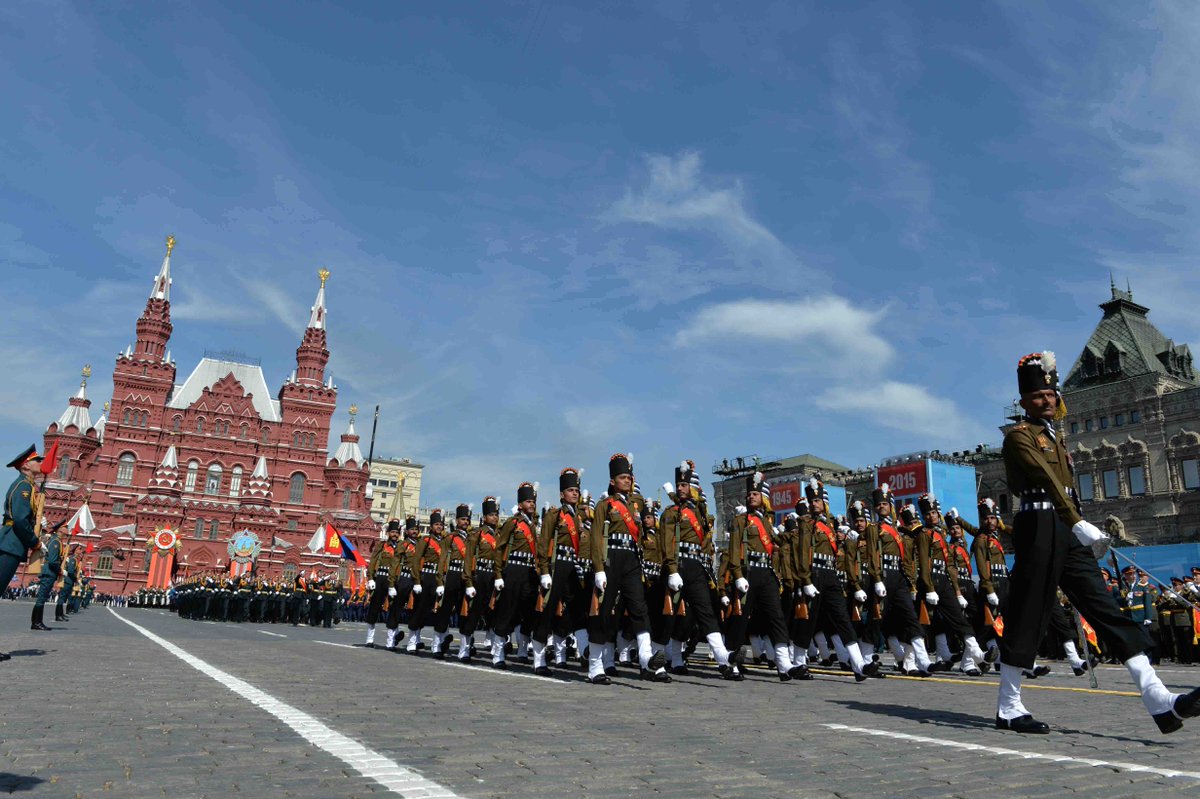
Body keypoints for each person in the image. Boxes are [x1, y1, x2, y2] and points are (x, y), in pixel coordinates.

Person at [996, 351, 1199, 734]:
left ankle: (1158, 698)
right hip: (1039, 524)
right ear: (1024, 401)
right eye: (1039, 396)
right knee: (1029, 611)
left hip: (1066, 525)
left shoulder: (1056, 438)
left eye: (1051, 395)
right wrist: (1078, 522)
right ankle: (1008, 705)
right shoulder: (1019, 439)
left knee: (1104, 605)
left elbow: (1066, 487)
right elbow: (1046, 479)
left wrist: (1075, 521)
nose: (1048, 401)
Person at [584, 454, 668, 684]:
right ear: (613, 481)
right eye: (623, 477)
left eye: (629, 477)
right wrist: (599, 568)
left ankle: (646, 658)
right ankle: (595, 666)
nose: (627, 480)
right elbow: (595, 538)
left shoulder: (635, 505)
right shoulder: (604, 506)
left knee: (639, 608)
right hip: (610, 558)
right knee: (602, 612)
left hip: (631, 559)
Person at [531, 469, 584, 676]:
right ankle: (538, 659)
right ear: (562, 494)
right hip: (556, 566)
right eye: (571, 490)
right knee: (546, 613)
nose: (574, 494)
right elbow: (543, 544)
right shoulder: (555, 514)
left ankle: (585, 650)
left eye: (576, 490)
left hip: (572, 566)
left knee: (578, 609)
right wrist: (544, 571)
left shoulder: (577, 516)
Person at [491, 484, 541, 669]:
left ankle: (522, 650)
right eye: (529, 501)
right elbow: (500, 548)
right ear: (520, 505)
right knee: (507, 611)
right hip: (513, 570)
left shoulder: (534, 525)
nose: (532, 504)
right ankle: (498, 653)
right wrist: (498, 574)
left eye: (533, 501)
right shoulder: (512, 523)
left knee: (529, 613)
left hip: (529, 572)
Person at [2, 446, 45, 658]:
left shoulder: (28, 485)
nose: (41, 461)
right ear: (26, 465)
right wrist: (34, 541)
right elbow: (19, 519)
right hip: (10, 542)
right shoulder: (23, 487)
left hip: (11, 543)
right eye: (37, 459)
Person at [364, 521, 402, 648]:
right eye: (393, 532)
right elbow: (373, 560)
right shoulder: (382, 545)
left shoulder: (402, 547)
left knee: (394, 609)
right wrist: (370, 578)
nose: (395, 535)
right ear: (388, 533)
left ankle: (390, 641)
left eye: (397, 532)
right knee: (374, 607)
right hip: (381, 578)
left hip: (395, 581)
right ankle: (369, 639)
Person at [32, 519, 65, 631]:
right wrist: (59, 570)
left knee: (43, 597)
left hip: (49, 572)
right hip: (49, 572)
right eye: (65, 527)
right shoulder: (55, 542)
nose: (67, 529)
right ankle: (36, 622)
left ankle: (37, 622)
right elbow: (52, 561)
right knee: (41, 597)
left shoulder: (56, 541)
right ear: (60, 529)